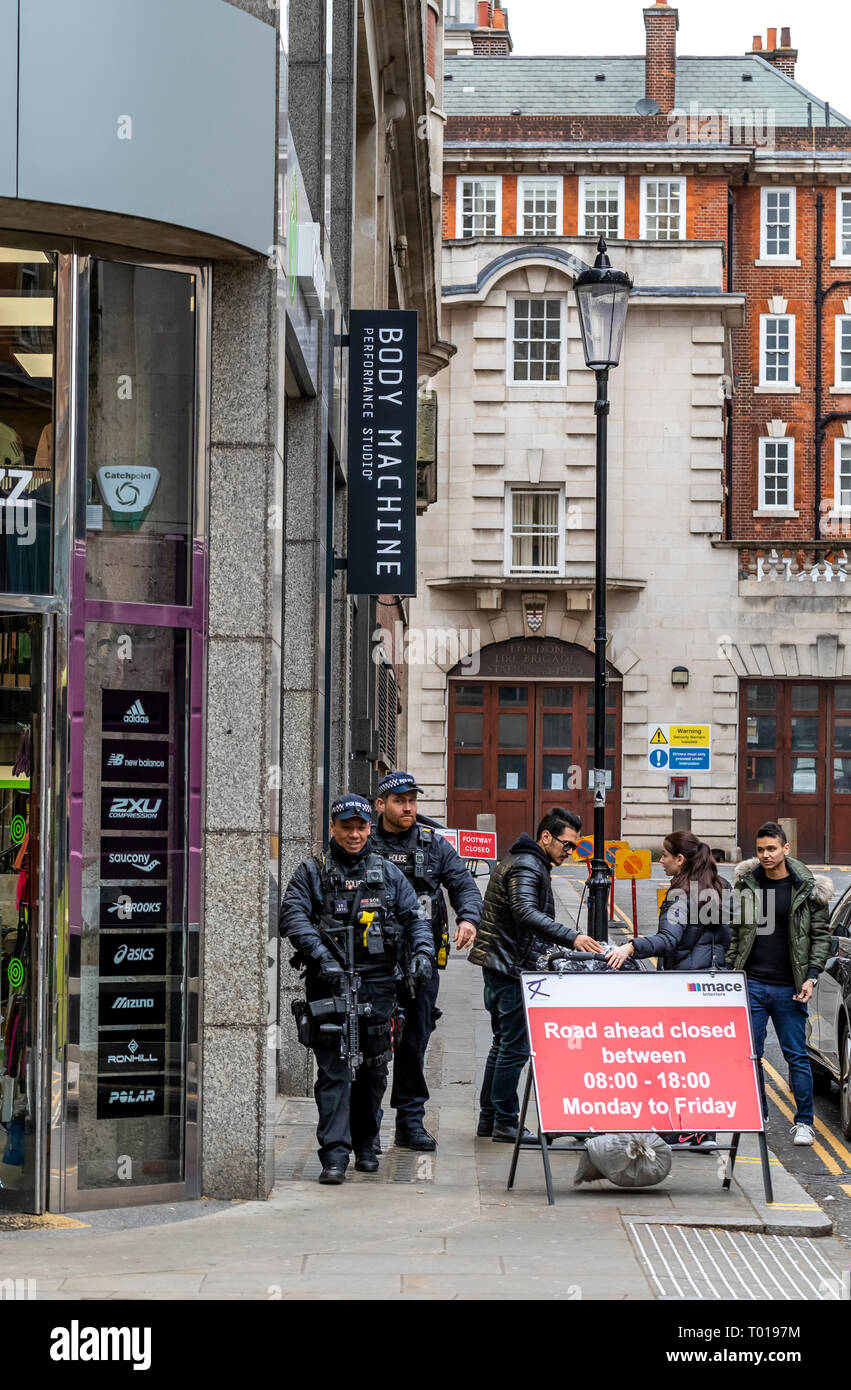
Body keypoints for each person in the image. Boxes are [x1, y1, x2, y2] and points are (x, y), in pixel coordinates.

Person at [280, 793, 435, 1185]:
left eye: (361, 827)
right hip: (329, 982)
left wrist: (422, 953)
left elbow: (415, 917)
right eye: (346, 827)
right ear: (333, 827)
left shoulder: (387, 872)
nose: (354, 834)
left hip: (379, 983)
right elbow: (292, 916)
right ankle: (334, 1154)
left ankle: (366, 1143)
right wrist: (322, 957)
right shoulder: (312, 871)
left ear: (369, 826)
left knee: (373, 1067)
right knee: (333, 1070)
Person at [468, 809, 604, 1143]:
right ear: (546, 837)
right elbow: (525, 913)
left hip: (501, 964)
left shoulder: (524, 861)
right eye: (566, 845)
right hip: (511, 968)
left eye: (573, 847)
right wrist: (572, 938)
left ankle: (490, 1119)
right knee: (514, 1048)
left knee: (502, 1044)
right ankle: (505, 1122)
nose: (569, 852)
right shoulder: (528, 865)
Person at [371, 771, 482, 1152]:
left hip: (420, 960)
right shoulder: (362, 840)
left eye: (413, 800)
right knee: (368, 1041)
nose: (408, 807)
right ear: (380, 804)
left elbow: (463, 883)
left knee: (415, 1039)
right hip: (373, 961)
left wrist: (468, 916)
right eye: (400, 800)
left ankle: (410, 1121)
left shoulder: (433, 844)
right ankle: (366, 1128)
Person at [607, 831, 731, 1146]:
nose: (659, 860)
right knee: (703, 1064)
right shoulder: (721, 888)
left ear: (681, 859)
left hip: (684, 990)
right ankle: (704, 1130)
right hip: (717, 991)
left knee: (678, 1063)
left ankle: (682, 1129)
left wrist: (631, 947)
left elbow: (668, 940)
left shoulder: (680, 895)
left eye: (664, 855)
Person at [729, 821, 833, 1147]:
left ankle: (804, 1123)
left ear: (786, 849)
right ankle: (759, 1114)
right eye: (760, 850)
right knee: (751, 1055)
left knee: (796, 1056)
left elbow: (820, 938)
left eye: (772, 849)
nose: (765, 855)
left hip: (791, 986)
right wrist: (733, 972)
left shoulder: (807, 889)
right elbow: (737, 934)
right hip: (753, 983)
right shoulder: (748, 885)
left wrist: (812, 976)